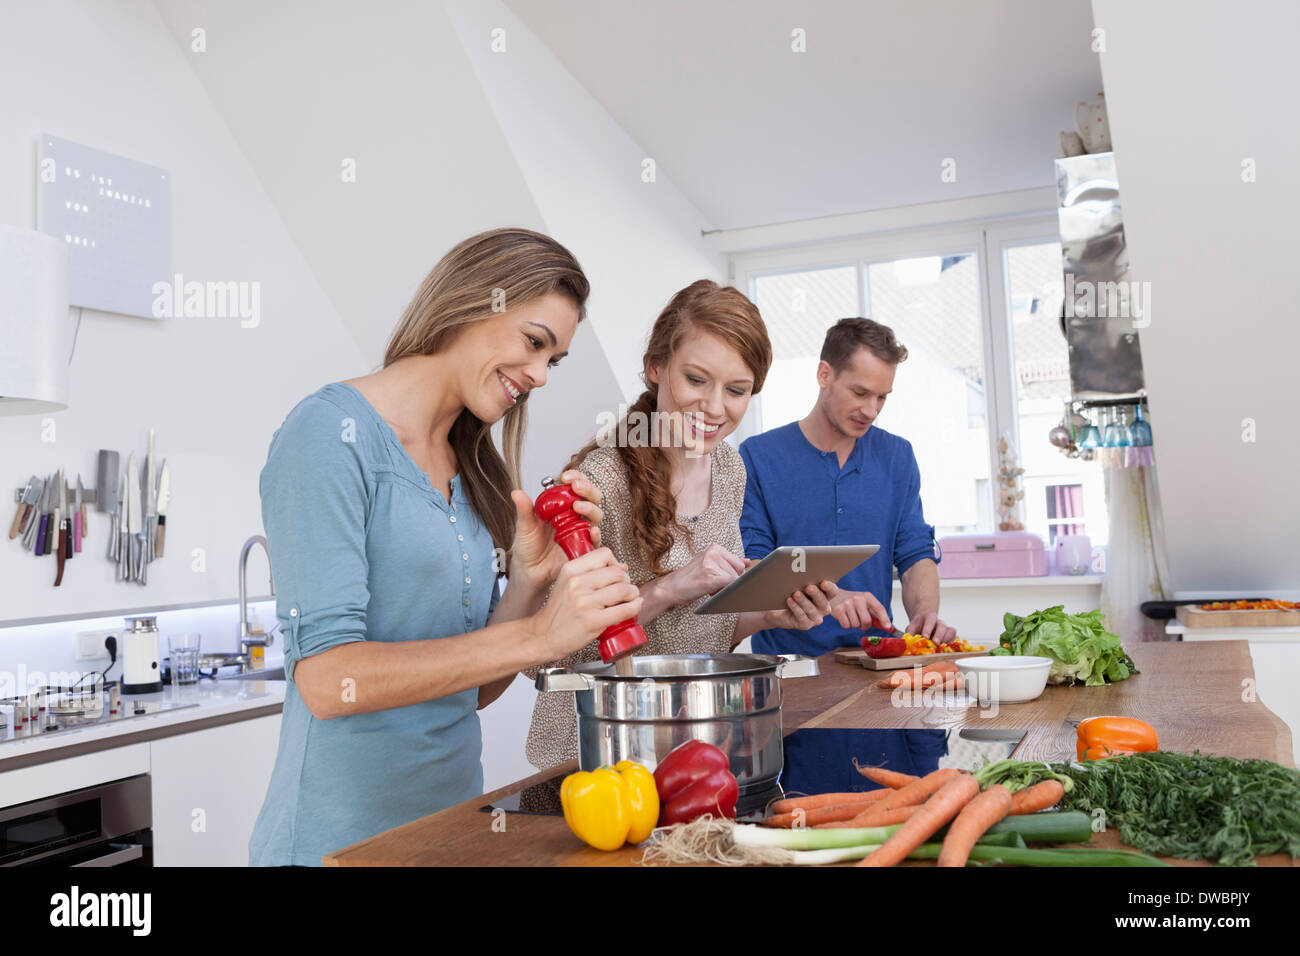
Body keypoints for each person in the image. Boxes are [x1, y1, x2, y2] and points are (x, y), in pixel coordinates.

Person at [248, 228, 641, 866]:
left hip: (448, 836)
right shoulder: (327, 436)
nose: (541, 375)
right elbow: (328, 680)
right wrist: (543, 637)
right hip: (337, 845)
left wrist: (527, 581)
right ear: (470, 302)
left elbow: (471, 691)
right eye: (534, 342)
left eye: (554, 360)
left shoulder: (472, 467)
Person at [524, 279, 838, 772]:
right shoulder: (600, 480)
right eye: (696, 380)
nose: (715, 407)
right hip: (596, 759)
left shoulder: (729, 468)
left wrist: (770, 614)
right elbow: (544, 656)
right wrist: (671, 586)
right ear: (656, 367)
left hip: (693, 748)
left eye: (736, 390)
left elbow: (702, 631)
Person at [739, 317, 956, 658]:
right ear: (824, 374)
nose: (871, 410)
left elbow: (915, 552)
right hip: (787, 667)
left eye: (882, 397)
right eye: (860, 393)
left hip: (874, 661)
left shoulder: (897, 456)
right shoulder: (758, 455)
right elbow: (757, 566)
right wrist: (832, 596)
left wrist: (925, 615)